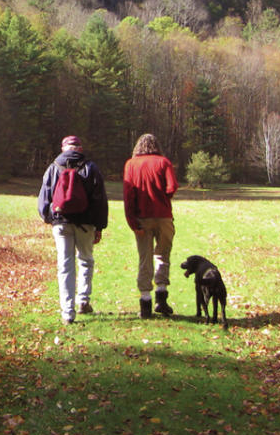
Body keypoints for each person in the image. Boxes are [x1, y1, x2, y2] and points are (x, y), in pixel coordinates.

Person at [37, 135, 108, 324]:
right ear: (80, 148)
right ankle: (83, 300)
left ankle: (68, 312)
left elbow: (44, 197)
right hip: (86, 224)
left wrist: (49, 217)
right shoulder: (91, 168)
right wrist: (99, 226)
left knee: (65, 265)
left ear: (63, 148)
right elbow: (100, 199)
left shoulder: (53, 167)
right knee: (86, 260)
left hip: (61, 222)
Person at [123, 133, 179, 319]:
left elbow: (128, 196)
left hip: (142, 218)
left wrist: (132, 221)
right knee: (162, 255)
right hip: (163, 216)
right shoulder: (164, 162)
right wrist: (163, 199)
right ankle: (161, 298)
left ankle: (145, 302)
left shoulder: (131, 165)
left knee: (144, 259)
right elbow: (172, 187)